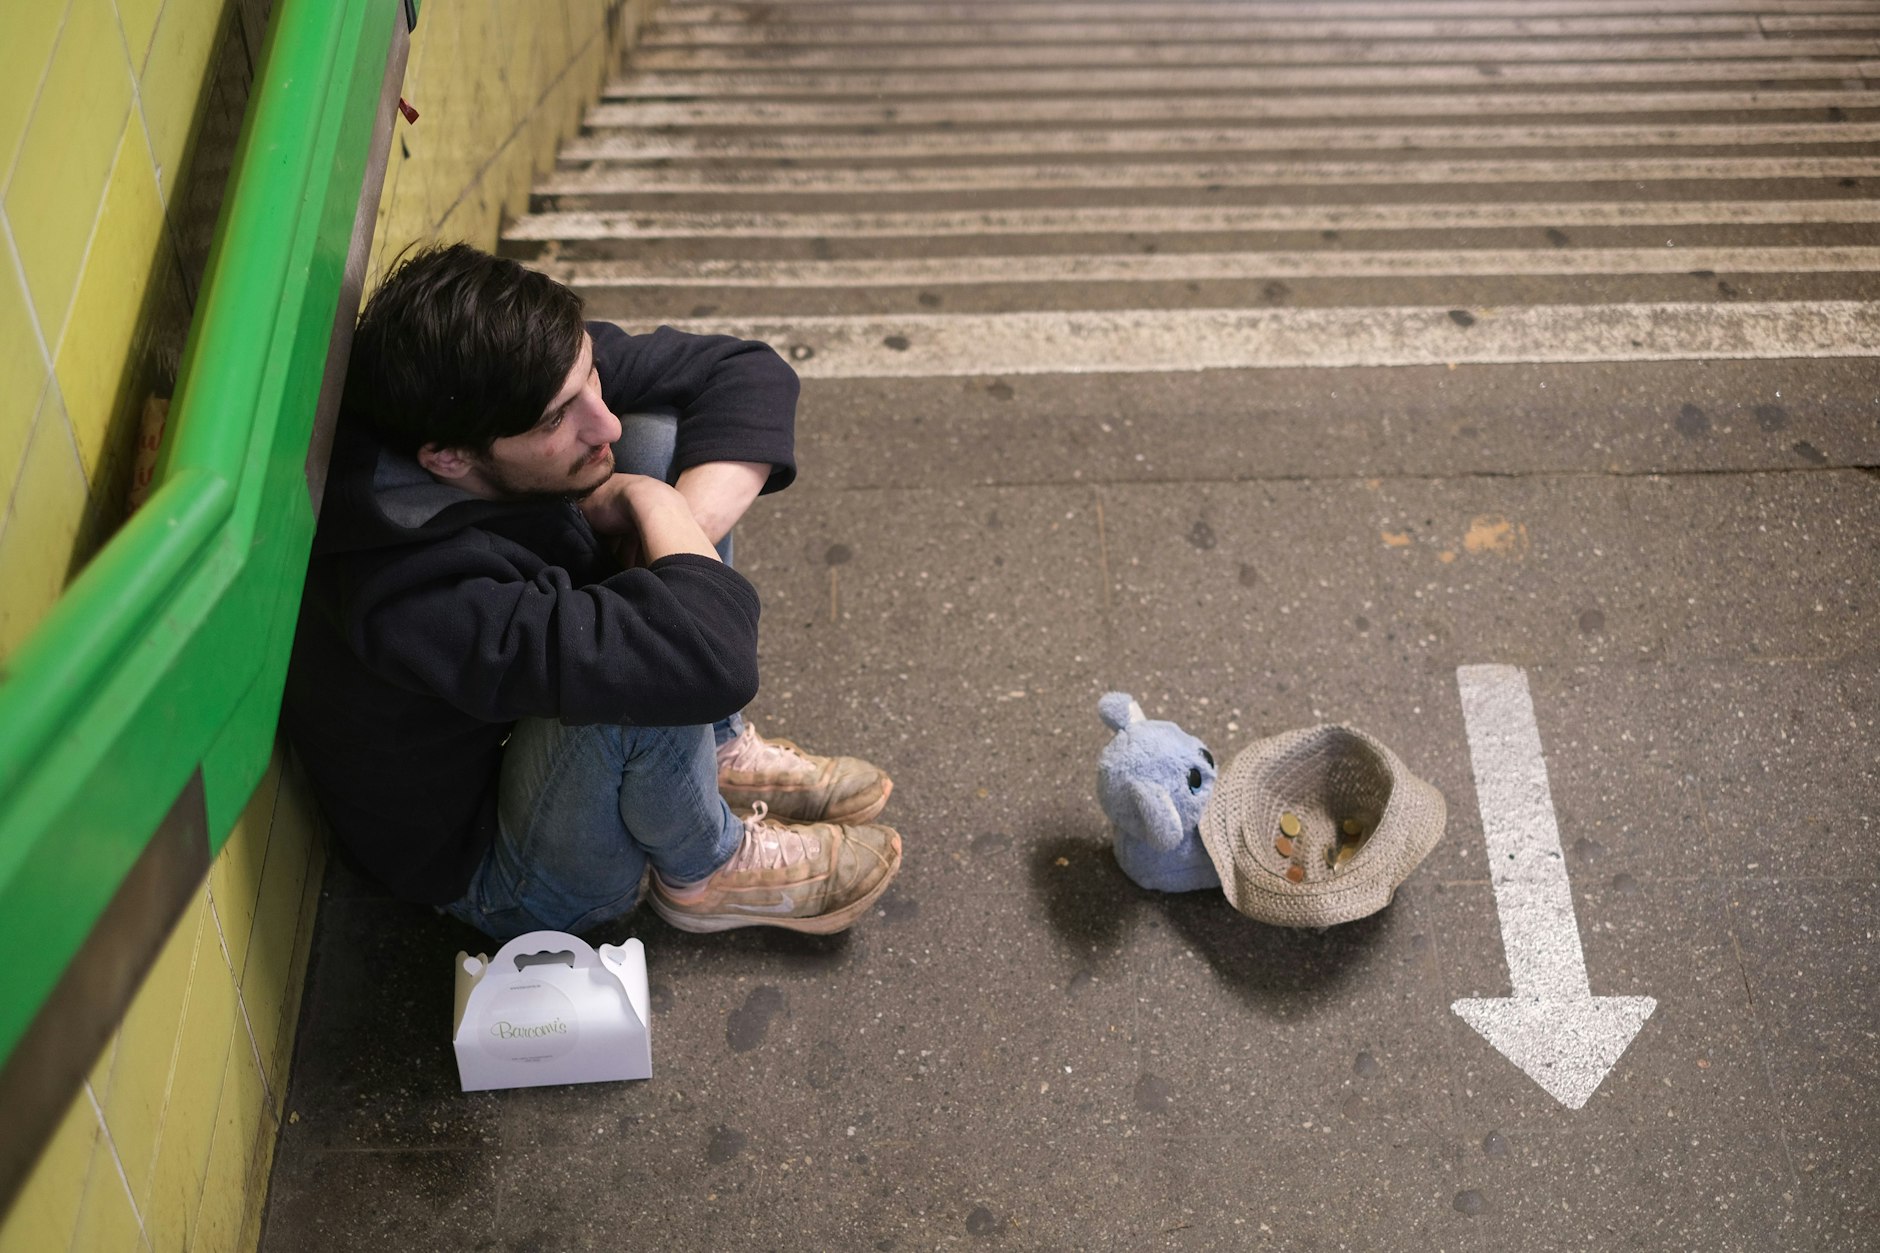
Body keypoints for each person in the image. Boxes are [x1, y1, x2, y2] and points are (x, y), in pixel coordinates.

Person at [282, 243, 900, 942]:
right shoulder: (414, 593)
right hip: (508, 874)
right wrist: (650, 502)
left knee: (658, 434)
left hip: (524, 733)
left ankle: (715, 753)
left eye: (591, 377)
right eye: (555, 420)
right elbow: (705, 654)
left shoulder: (491, 370)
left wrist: (667, 518)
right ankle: (706, 869)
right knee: (654, 659)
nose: (599, 419)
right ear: (449, 458)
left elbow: (744, 370)